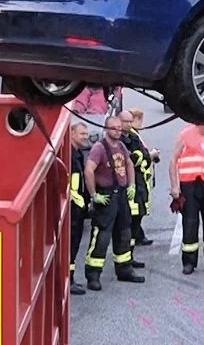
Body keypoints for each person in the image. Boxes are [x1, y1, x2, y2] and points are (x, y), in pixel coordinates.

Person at [83, 115, 145, 290]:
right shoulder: (99, 148)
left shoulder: (121, 146)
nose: (118, 130)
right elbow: (89, 170)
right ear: (106, 129)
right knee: (101, 236)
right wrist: (94, 195)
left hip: (122, 195)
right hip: (106, 197)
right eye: (114, 128)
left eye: (119, 127)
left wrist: (131, 185)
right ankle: (93, 275)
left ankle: (124, 269)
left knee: (124, 233)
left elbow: (129, 164)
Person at [170, 123, 204, 274]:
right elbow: (174, 161)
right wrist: (175, 187)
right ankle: (189, 261)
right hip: (189, 184)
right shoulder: (185, 134)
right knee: (190, 222)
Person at [118, 110, 150, 266]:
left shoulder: (133, 137)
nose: (129, 125)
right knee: (127, 225)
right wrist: (139, 157)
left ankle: (129, 257)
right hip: (127, 186)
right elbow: (130, 160)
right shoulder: (119, 140)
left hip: (139, 185)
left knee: (135, 221)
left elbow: (143, 156)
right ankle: (124, 260)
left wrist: (141, 157)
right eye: (126, 122)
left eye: (131, 121)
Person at [128, 107, 160, 246]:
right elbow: (135, 158)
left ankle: (138, 236)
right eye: (139, 119)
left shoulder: (135, 135)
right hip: (137, 178)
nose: (141, 122)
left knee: (138, 211)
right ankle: (135, 239)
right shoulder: (132, 137)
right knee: (137, 211)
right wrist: (150, 155)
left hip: (140, 178)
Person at [68, 121, 91, 295]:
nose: (86, 137)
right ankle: (69, 279)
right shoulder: (71, 155)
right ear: (72, 133)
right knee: (71, 244)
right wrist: (81, 203)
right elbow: (71, 186)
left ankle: (70, 278)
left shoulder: (77, 153)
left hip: (76, 207)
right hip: (74, 209)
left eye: (86, 134)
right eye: (82, 134)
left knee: (73, 244)